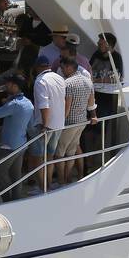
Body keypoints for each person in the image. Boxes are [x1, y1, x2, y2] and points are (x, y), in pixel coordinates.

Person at [0, 74, 34, 202]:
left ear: (15, 86)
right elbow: (30, 126)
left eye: (8, 83)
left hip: (9, 146)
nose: (6, 85)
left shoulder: (14, 104)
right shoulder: (28, 103)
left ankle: (7, 201)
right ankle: (15, 201)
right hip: (21, 144)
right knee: (15, 177)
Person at [29, 55, 66, 194]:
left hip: (46, 125)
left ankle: (42, 188)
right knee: (49, 157)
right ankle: (48, 186)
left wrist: (45, 125)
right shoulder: (59, 77)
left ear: (38, 67)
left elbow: (44, 105)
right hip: (58, 123)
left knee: (39, 158)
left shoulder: (40, 81)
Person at [57, 56, 97, 185]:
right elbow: (91, 103)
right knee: (71, 152)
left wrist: (60, 123)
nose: (62, 71)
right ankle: (68, 178)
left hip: (70, 123)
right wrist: (93, 116)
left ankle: (62, 181)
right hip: (82, 122)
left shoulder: (68, 83)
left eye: (63, 68)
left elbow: (67, 107)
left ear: (69, 67)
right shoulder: (88, 81)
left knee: (60, 153)